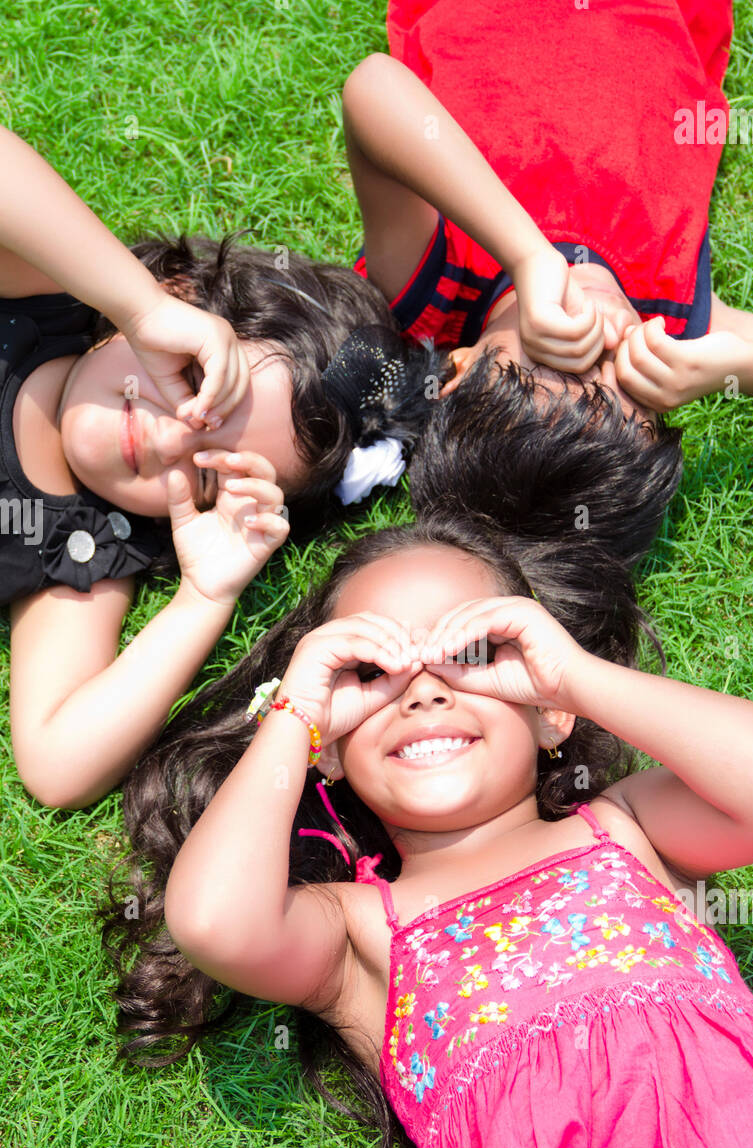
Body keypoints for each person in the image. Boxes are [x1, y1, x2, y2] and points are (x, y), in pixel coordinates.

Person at [99, 369, 753, 1148]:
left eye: (473, 656)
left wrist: (574, 674)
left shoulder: (619, 831)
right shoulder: (361, 933)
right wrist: (295, 715)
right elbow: (218, 922)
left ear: (547, 719)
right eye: (370, 669)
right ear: (328, 758)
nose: (424, 688)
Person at [0, 126, 446, 808]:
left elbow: (58, 763)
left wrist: (204, 597)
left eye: (205, 474)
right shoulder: (41, 289)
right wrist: (137, 303)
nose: (166, 438)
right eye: (195, 381)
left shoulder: (82, 547)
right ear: (181, 297)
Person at [344, 0, 753, 430]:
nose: (594, 329)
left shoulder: (437, 290)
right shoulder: (674, 319)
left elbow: (373, 88)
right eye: (613, 366)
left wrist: (527, 257)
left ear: (460, 368)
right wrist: (748, 366)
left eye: (553, 356)